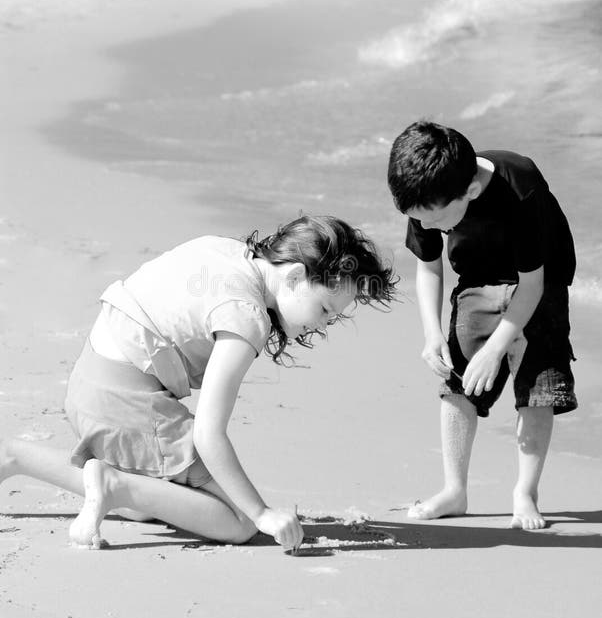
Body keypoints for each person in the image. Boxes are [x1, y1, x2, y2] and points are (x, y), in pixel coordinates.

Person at [1, 215, 395, 550]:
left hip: (89, 384)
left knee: (155, 501)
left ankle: (16, 456)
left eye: (333, 317)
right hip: (125, 403)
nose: (323, 324)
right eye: (325, 308)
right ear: (294, 276)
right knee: (237, 522)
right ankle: (114, 483)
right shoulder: (246, 319)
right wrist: (261, 513)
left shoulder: (225, 251)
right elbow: (210, 433)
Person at [387, 121, 577, 530]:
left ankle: (525, 491)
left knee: (537, 384)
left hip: (540, 278)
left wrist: (497, 349)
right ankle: (454, 490)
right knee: (458, 382)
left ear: (470, 192)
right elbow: (428, 267)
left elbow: (532, 285)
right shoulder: (425, 191)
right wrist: (432, 332)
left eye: (437, 221)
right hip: (476, 275)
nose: (431, 228)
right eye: (419, 219)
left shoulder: (519, 188)